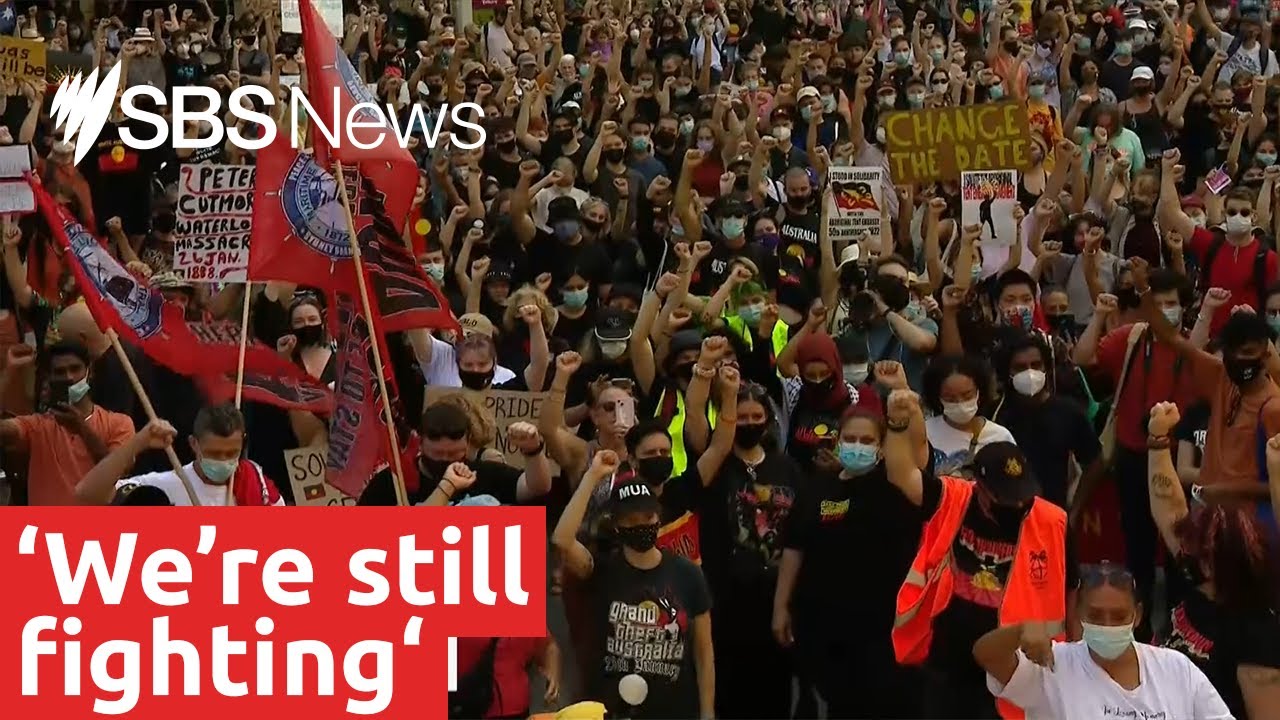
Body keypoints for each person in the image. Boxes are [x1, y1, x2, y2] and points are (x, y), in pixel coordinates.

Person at [884, 389, 1075, 719]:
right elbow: (902, 475)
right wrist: (898, 423)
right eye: (1004, 498)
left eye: (1021, 496)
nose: (1016, 505)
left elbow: (1070, 589)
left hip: (1017, 662)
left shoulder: (1052, 521)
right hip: (948, 657)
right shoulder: (955, 498)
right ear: (980, 486)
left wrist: (1075, 655)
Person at [553, 450, 715, 720]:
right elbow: (561, 539)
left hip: (675, 710)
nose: (641, 525)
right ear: (617, 524)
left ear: (658, 517)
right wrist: (593, 476)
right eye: (631, 521)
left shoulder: (687, 573)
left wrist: (708, 710)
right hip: (612, 709)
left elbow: (704, 650)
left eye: (647, 518)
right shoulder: (600, 569)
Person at [1149, 401, 1280, 718]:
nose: (1190, 554)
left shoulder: (1256, 636)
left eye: (1203, 552)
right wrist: (1157, 441)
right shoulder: (1200, 579)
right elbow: (1170, 509)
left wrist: (1275, 472)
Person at [976, 563, 1233, 720]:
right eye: (1096, 615)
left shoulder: (1176, 669)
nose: (1108, 625)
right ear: (1079, 613)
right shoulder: (1053, 665)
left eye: (1119, 615)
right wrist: (1019, 632)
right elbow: (986, 654)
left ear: (1138, 615)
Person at [0, 341, 133, 505]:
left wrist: (81, 429)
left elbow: (118, 471)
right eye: (60, 372)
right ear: (49, 378)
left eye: (75, 369)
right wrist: (10, 370)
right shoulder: (36, 426)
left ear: (89, 372)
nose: (69, 377)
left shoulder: (119, 423)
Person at [76, 404, 281, 507]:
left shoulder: (256, 482)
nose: (223, 460)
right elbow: (87, 494)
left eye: (231, 453)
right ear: (194, 444)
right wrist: (137, 443)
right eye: (214, 453)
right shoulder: (169, 484)